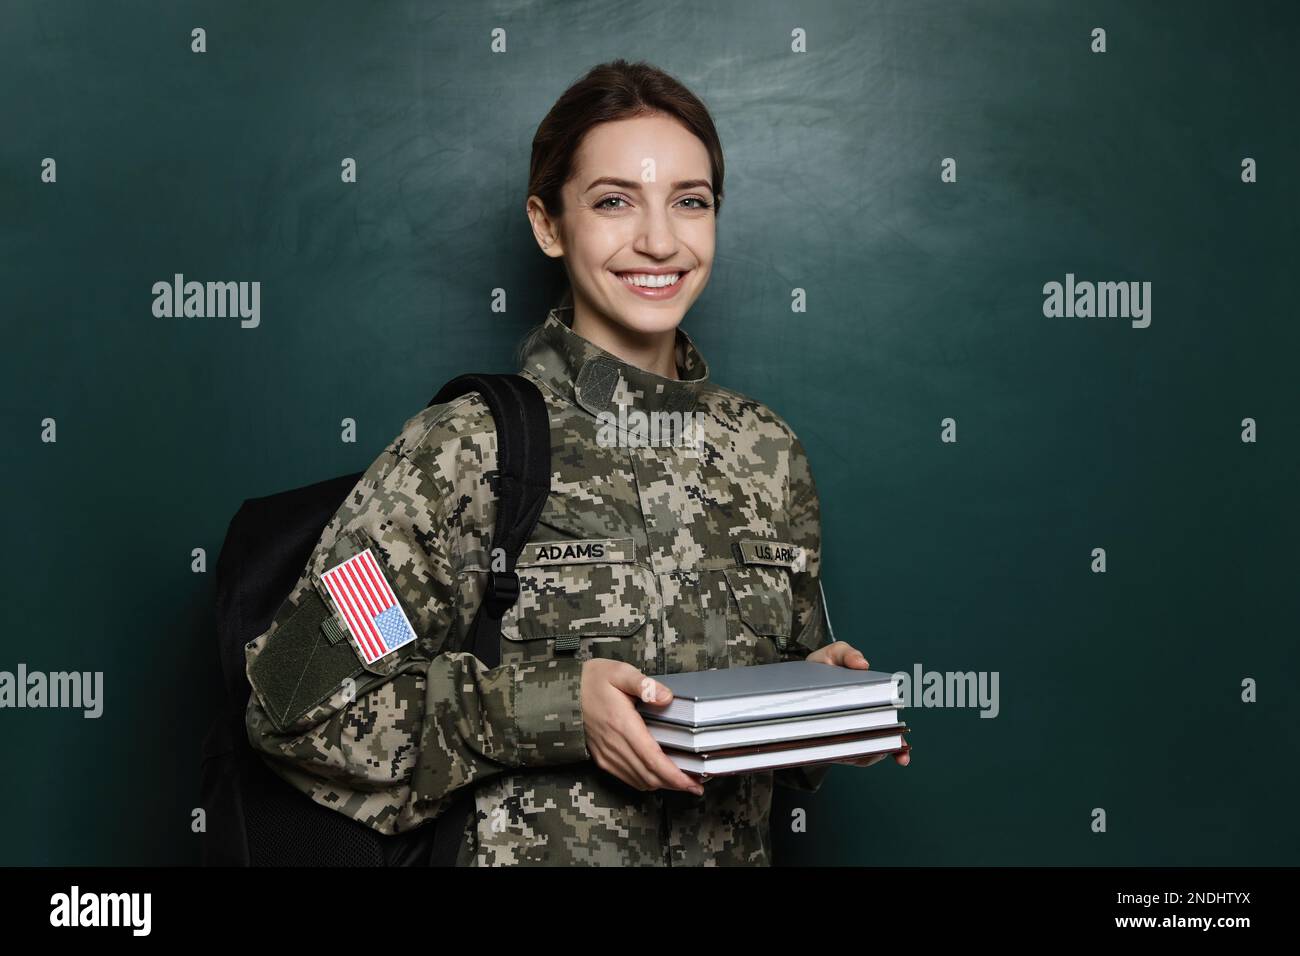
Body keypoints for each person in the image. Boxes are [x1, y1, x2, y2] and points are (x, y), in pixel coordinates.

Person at [243, 58, 908, 867]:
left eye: (689, 202)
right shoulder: (462, 452)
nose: (659, 240)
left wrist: (819, 709)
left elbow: (751, 726)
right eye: (614, 201)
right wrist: (556, 709)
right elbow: (300, 710)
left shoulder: (766, 454)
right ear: (548, 224)